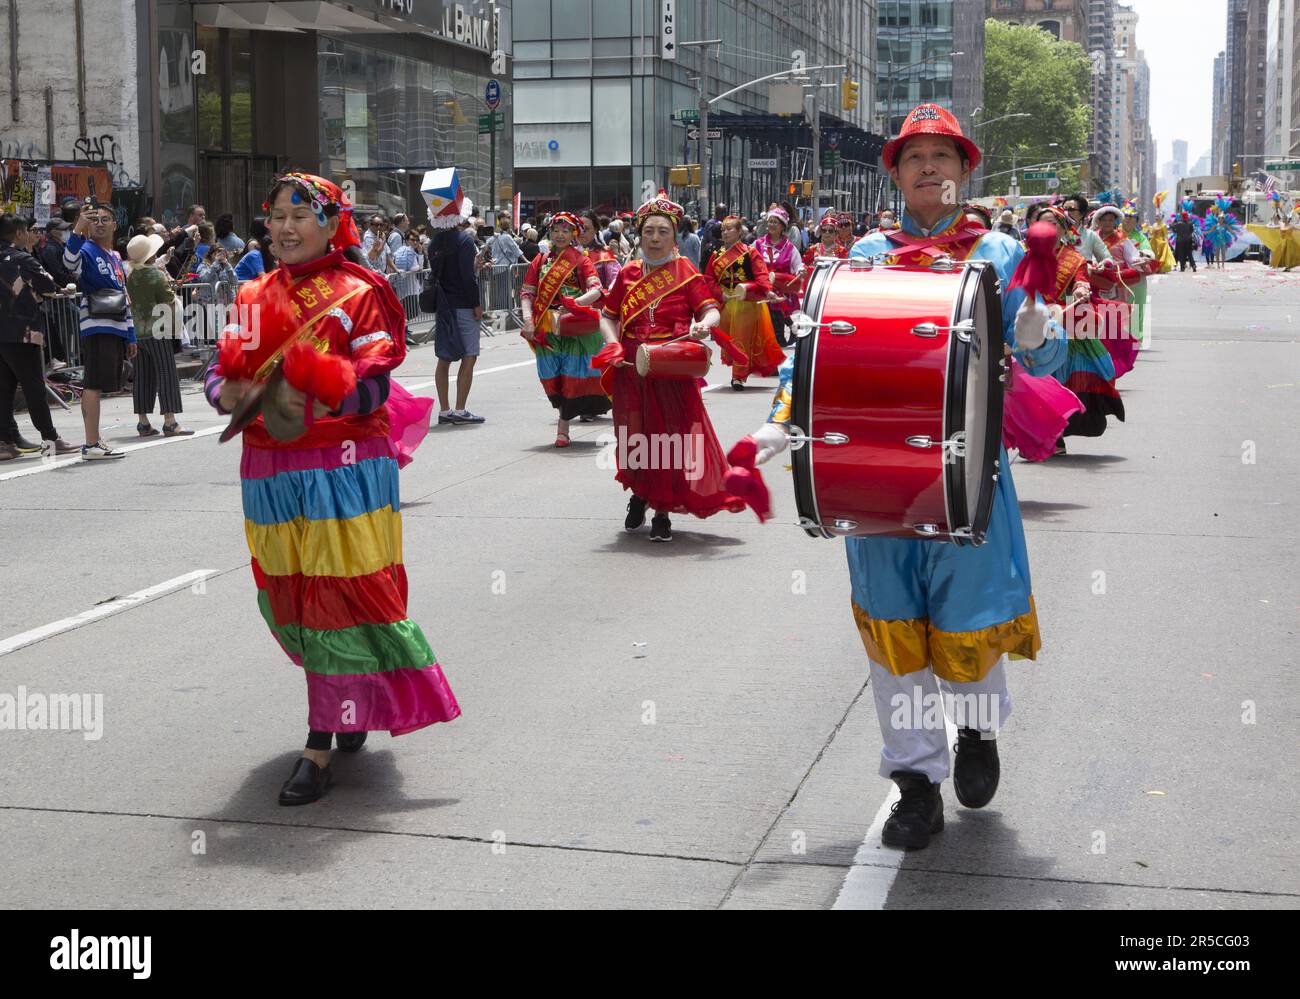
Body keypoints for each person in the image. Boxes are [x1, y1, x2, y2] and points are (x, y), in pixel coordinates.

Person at [742, 105, 1073, 851]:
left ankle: (978, 730)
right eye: (915, 156)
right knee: (893, 629)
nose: (930, 168)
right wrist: (783, 418)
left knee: (969, 617)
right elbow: (812, 350)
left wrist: (1033, 328)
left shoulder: (999, 250)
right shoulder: (863, 253)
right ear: (893, 173)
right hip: (873, 469)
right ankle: (916, 784)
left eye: (943, 157)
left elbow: (1046, 365)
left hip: (967, 471)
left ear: (965, 171)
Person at [204, 171, 458, 805]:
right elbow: (220, 375)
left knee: (337, 596)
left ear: (330, 223)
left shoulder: (360, 292)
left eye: (300, 216)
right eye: (277, 216)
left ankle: (320, 743)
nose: (285, 228)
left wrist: (312, 390)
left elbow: (374, 386)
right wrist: (226, 396)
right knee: (287, 597)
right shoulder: (253, 292)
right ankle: (349, 698)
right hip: (268, 469)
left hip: (344, 469)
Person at [593, 190, 744, 543]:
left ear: (674, 236)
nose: (655, 238)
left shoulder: (685, 271)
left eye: (663, 232)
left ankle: (662, 509)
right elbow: (608, 316)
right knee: (634, 434)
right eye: (649, 232)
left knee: (670, 435)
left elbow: (710, 308)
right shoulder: (628, 273)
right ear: (639, 235)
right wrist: (612, 341)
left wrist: (705, 324)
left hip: (672, 364)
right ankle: (640, 492)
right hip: (632, 366)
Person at [520, 211, 608, 446]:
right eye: (556, 230)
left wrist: (577, 304)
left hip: (573, 326)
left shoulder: (581, 260)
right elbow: (527, 292)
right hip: (546, 327)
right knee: (550, 374)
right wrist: (528, 318)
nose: (560, 235)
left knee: (570, 374)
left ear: (574, 234)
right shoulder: (540, 260)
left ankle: (563, 427)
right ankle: (563, 415)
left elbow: (596, 289)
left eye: (566, 231)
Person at [63, 200, 137, 459]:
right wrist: (77, 229)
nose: (100, 224)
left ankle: (94, 440)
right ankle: (91, 443)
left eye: (105, 219)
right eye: (94, 220)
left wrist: (130, 334)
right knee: (92, 384)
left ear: (115, 224)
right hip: (96, 324)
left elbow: (124, 295)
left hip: (116, 325)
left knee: (100, 384)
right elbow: (69, 263)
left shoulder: (115, 257)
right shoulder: (85, 249)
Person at [0, 214, 78, 458]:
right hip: (24, 331)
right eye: (28, 231)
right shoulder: (23, 258)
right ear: (20, 233)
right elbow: (47, 284)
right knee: (34, 385)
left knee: (4, 389)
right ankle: (50, 438)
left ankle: (5, 442)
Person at [421, 168, 485, 424]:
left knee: (444, 356)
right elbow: (467, 278)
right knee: (470, 355)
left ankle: (445, 409)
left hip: (443, 305)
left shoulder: (434, 243)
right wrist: (477, 303)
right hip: (463, 303)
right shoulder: (465, 241)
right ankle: (460, 408)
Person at [703, 215, 785, 391]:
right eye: (723, 229)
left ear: (739, 232)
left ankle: (738, 376)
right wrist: (718, 294)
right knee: (727, 338)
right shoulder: (716, 254)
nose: (725, 233)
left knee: (740, 339)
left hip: (744, 303)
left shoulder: (749, 252)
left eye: (729, 229)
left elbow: (761, 274)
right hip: (724, 302)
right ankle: (740, 365)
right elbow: (708, 278)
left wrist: (768, 290)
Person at [124, 233, 192, 438]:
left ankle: (143, 422)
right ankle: (170, 421)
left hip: (138, 331)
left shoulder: (131, 275)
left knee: (142, 376)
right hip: (157, 329)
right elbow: (168, 300)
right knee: (166, 372)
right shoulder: (155, 275)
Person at [754, 206, 803, 348]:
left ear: (783, 226)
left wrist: (801, 271)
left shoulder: (789, 247)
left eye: (776, 222)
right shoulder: (758, 244)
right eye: (770, 221)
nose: (771, 225)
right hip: (763, 291)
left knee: (778, 337)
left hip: (782, 291)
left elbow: (798, 265)